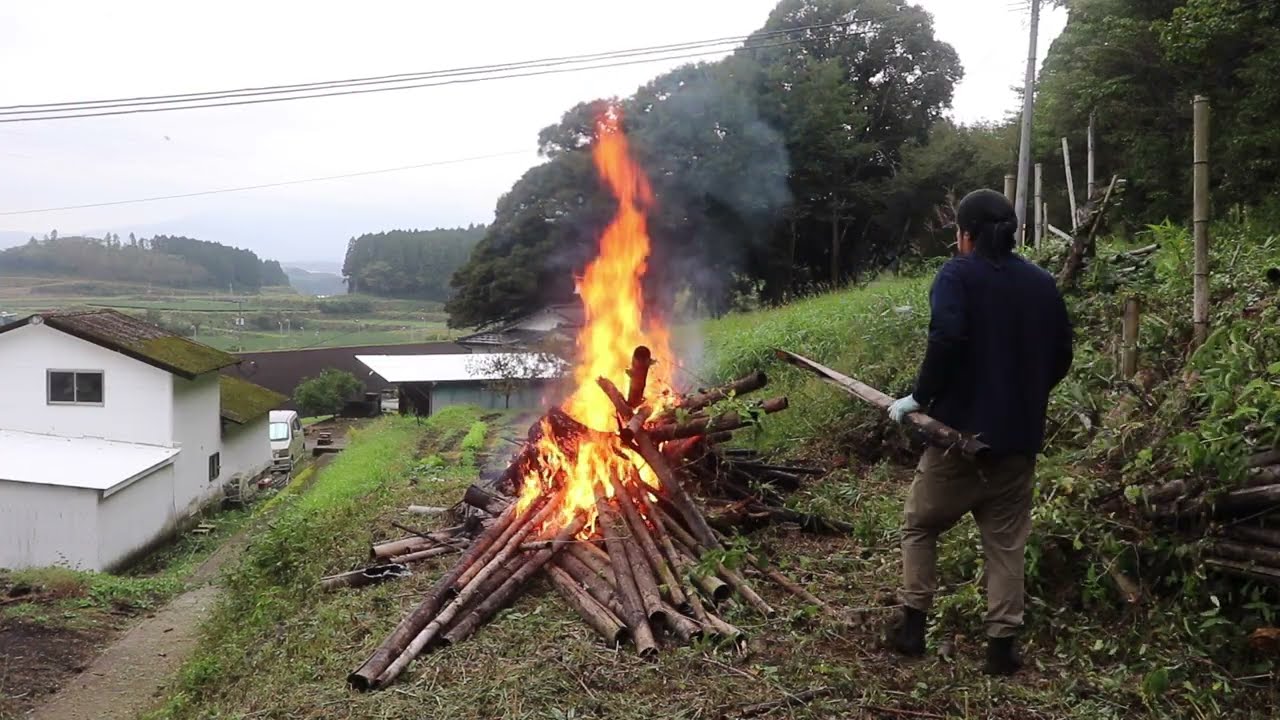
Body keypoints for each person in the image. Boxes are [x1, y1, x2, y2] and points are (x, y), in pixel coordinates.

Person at [884, 189, 1073, 675]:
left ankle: (912, 628)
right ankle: (1001, 648)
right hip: (1019, 441)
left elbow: (946, 336)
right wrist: (1024, 397)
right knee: (1006, 544)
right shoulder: (1041, 282)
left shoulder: (956, 274)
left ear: (964, 235)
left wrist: (920, 399)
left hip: (960, 441)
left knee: (921, 524)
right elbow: (1061, 358)